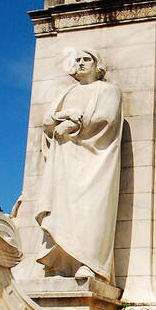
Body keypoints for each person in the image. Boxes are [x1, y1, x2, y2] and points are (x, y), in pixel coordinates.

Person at [35, 49, 123, 282]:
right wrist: (68, 116)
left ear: (97, 65)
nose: (82, 64)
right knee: (61, 207)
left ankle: (90, 263)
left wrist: (75, 125)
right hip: (63, 159)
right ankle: (60, 262)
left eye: (87, 60)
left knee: (91, 209)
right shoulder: (68, 91)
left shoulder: (108, 90)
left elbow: (106, 119)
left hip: (95, 160)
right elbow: (46, 120)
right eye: (78, 60)